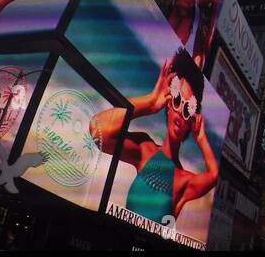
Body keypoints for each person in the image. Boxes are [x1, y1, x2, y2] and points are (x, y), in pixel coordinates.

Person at [88, 49, 218, 224]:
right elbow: (98, 131)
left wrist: (201, 137)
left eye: (188, 109)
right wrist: (149, 102)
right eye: (178, 101)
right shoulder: (145, 149)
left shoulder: (184, 180)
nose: (180, 112)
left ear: (192, 120)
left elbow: (213, 175)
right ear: (169, 104)